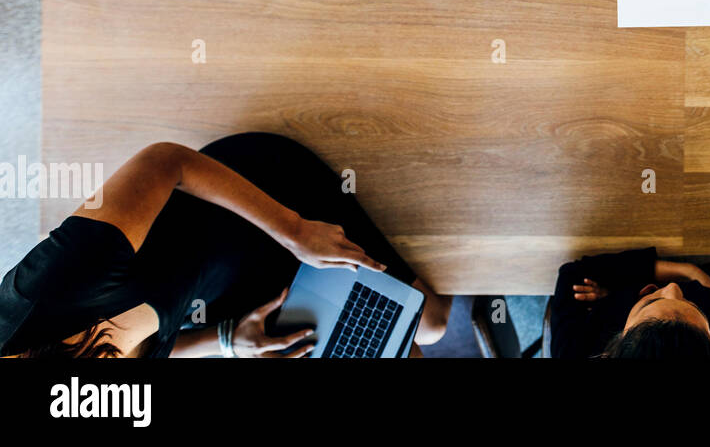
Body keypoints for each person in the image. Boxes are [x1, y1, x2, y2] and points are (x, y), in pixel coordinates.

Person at [0, 133, 451, 358]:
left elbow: (166, 161)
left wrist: (294, 229)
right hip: (227, 290)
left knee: (428, 323)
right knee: (391, 341)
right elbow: (151, 347)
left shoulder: (48, 289)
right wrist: (228, 340)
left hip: (264, 201)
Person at [549, 247, 710, 358]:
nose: (672, 287)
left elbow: (573, 273)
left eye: (647, 302)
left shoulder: (574, 354)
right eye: (694, 306)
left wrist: (621, 291)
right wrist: (691, 272)